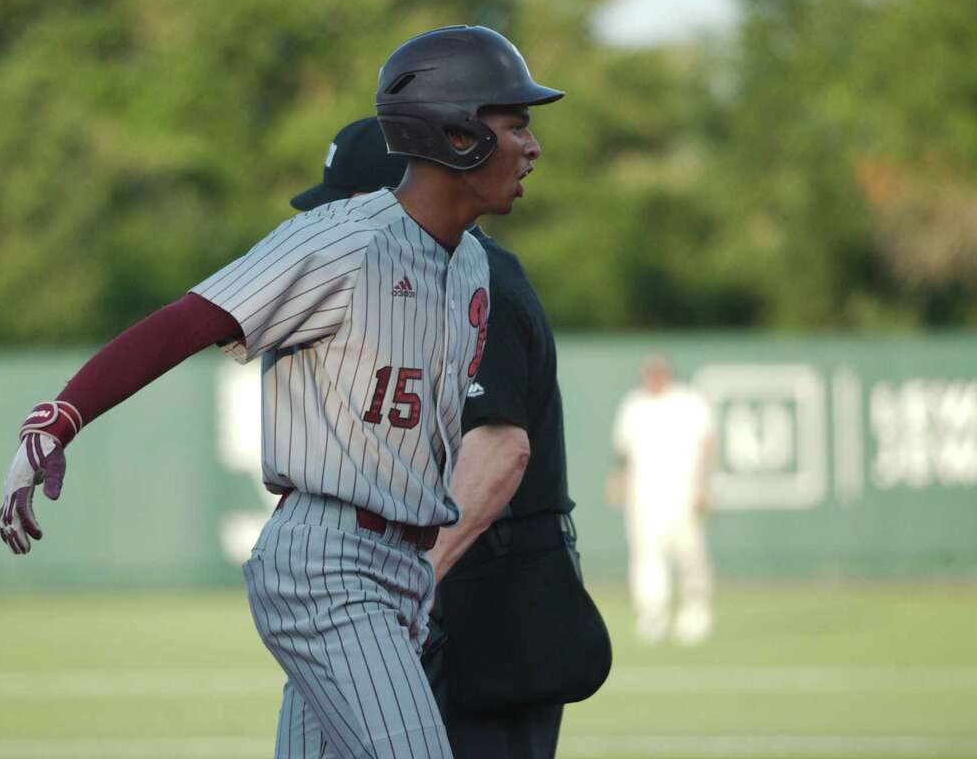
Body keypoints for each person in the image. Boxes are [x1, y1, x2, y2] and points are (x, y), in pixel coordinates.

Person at [0, 25, 562, 758]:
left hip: (399, 573)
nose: (531, 144)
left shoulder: (474, 271)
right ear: (457, 136)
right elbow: (187, 321)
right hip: (329, 563)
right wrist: (62, 417)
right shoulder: (340, 240)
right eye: (515, 124)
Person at [291, 118, 611, 759]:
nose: (333, 227)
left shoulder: (475, 275)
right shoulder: (401, 286)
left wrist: (408, 585)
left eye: (345, 206)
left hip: (491, 606)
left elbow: (497, 451)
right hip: (438, 597)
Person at [607, 354, 716, 645]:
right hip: (644, 497)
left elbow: (707, 445)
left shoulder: (689, 401)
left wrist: (704, 486)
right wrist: (619, 482)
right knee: (646, 555)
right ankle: (652, 613)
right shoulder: (634, 405)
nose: (653, 377)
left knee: (689, 553)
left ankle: (695, 610)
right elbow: (623, 452)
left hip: (683, 494)